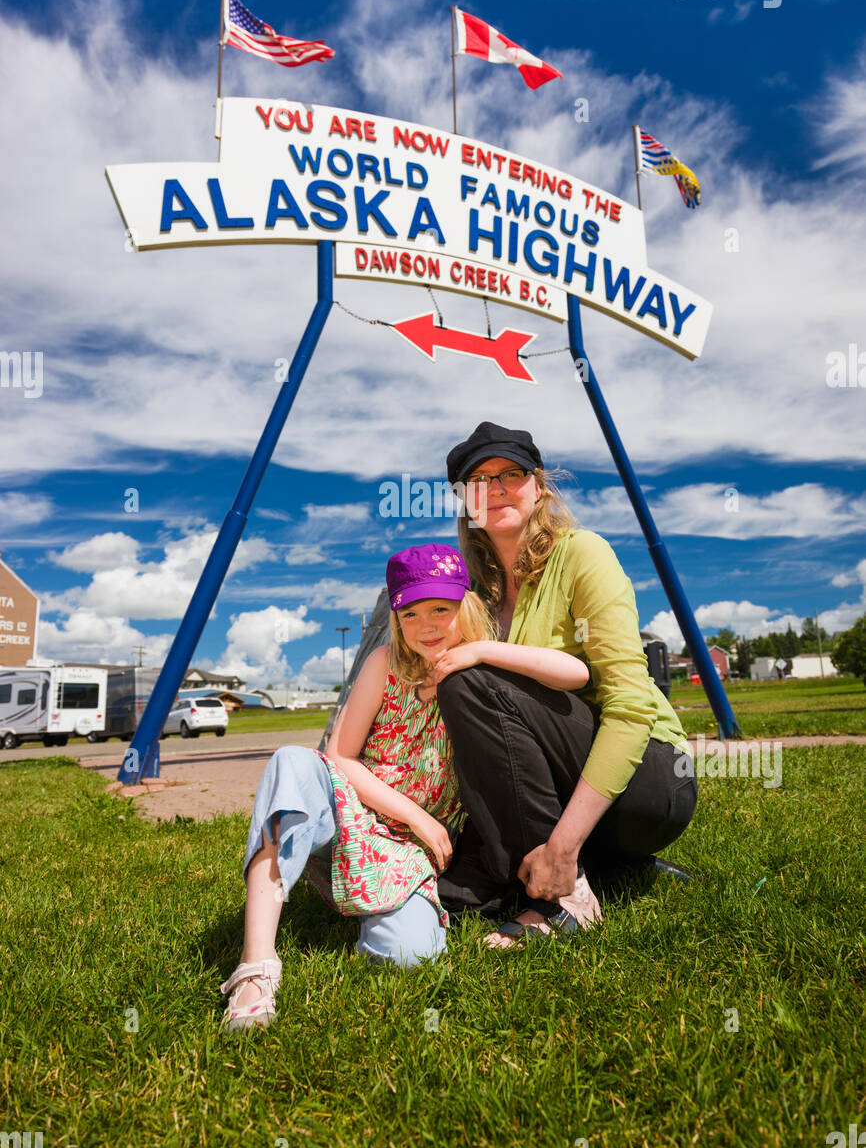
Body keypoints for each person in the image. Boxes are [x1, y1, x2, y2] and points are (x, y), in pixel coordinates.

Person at [219, 541, 590, 1030]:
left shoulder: (487, 669)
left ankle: (362, 899)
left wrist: (479, 650)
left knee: (408, 959)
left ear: (467, 605)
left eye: (441, 608)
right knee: (293, 763)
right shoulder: (385, 663)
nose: (426, 625)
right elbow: (341, 759)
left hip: (408, 854)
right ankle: (256, 967)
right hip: (356, 812)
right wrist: (417, 815)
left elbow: (576, 673)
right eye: (411, 613)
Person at [433, 421, 698, 950]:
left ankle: (561, 893)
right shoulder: (471, 590)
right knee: (452, 897)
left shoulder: (583, 554)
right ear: (466, 500)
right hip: (557, 784)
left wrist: (563, 847)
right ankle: (609, 868)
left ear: (538, 486)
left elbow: (627, 706)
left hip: (648, 780)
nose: (498, 487)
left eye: (512, 473)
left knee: (471, 681)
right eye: (479, 480)